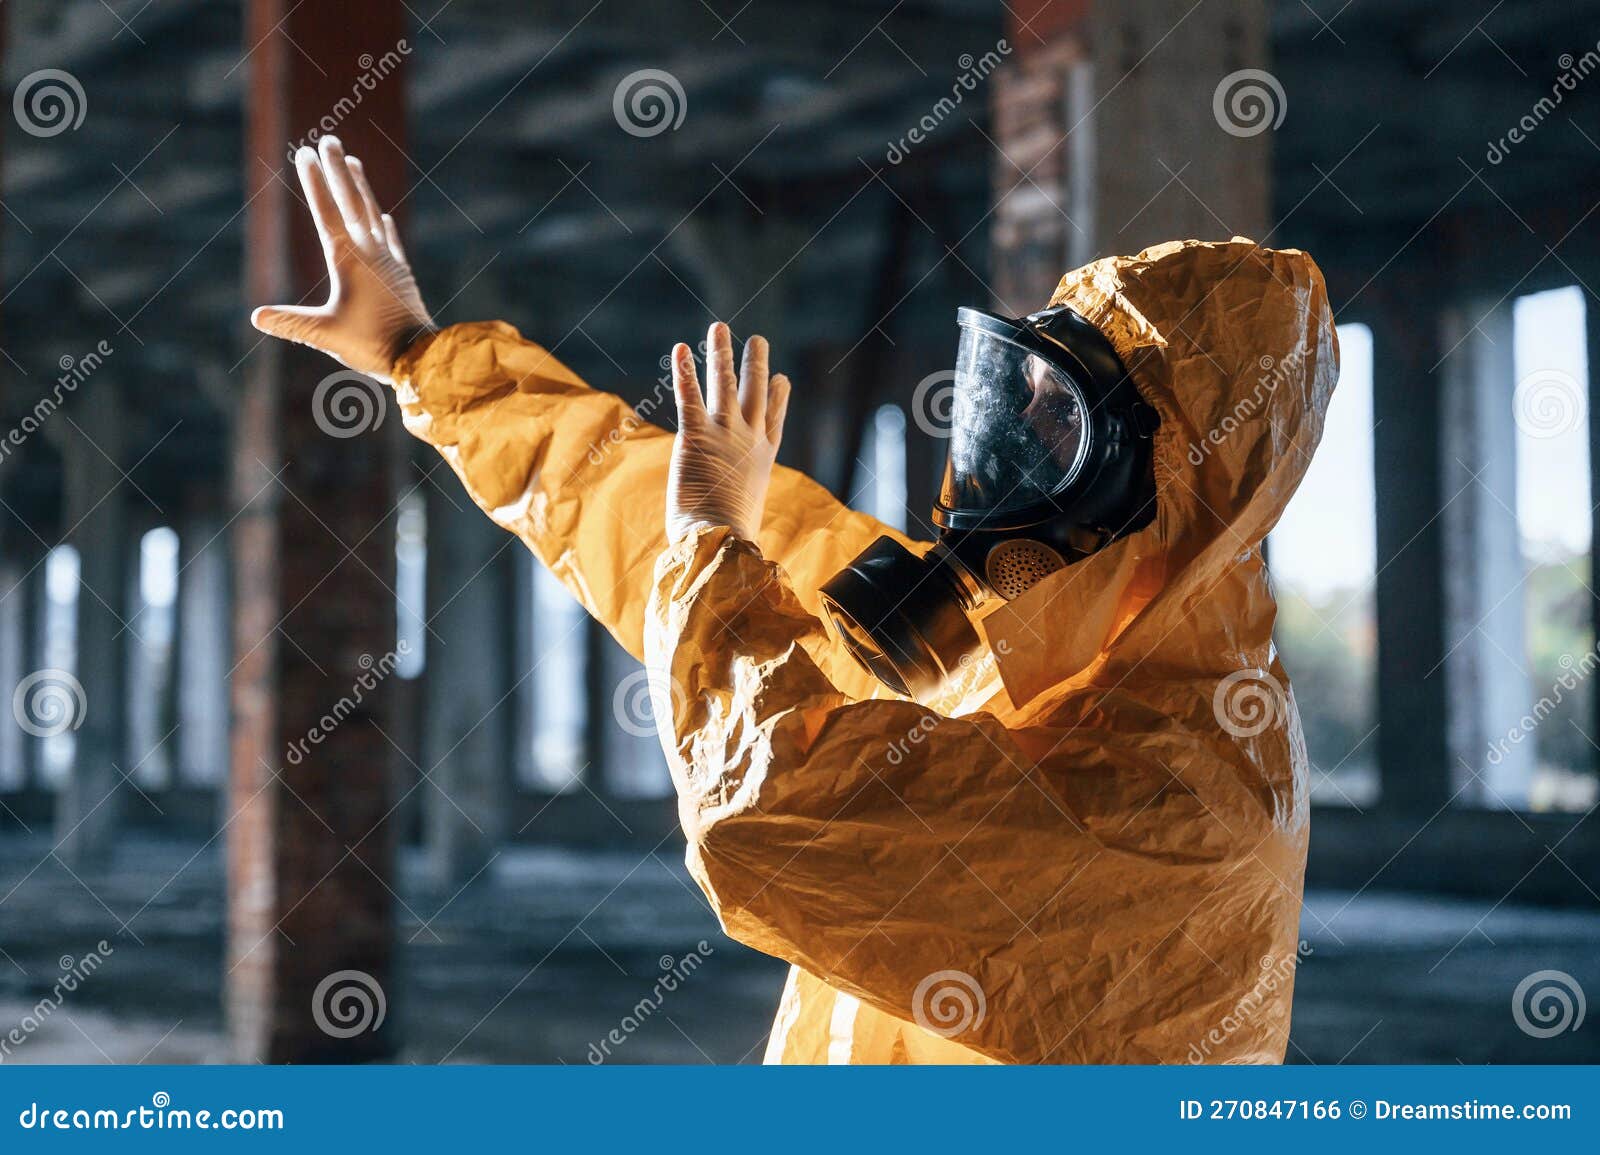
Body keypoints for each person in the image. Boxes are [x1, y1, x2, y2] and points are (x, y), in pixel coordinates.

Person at [255, 136, 1339, 1064]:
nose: (1014, 454)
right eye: (1020, 404)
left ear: (1177, 488)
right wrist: (423, 360)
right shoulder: (1008, 641)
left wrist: (707, 538)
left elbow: (771, 813)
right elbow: (659, 525)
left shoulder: (1186, 806)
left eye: (1064, 425)